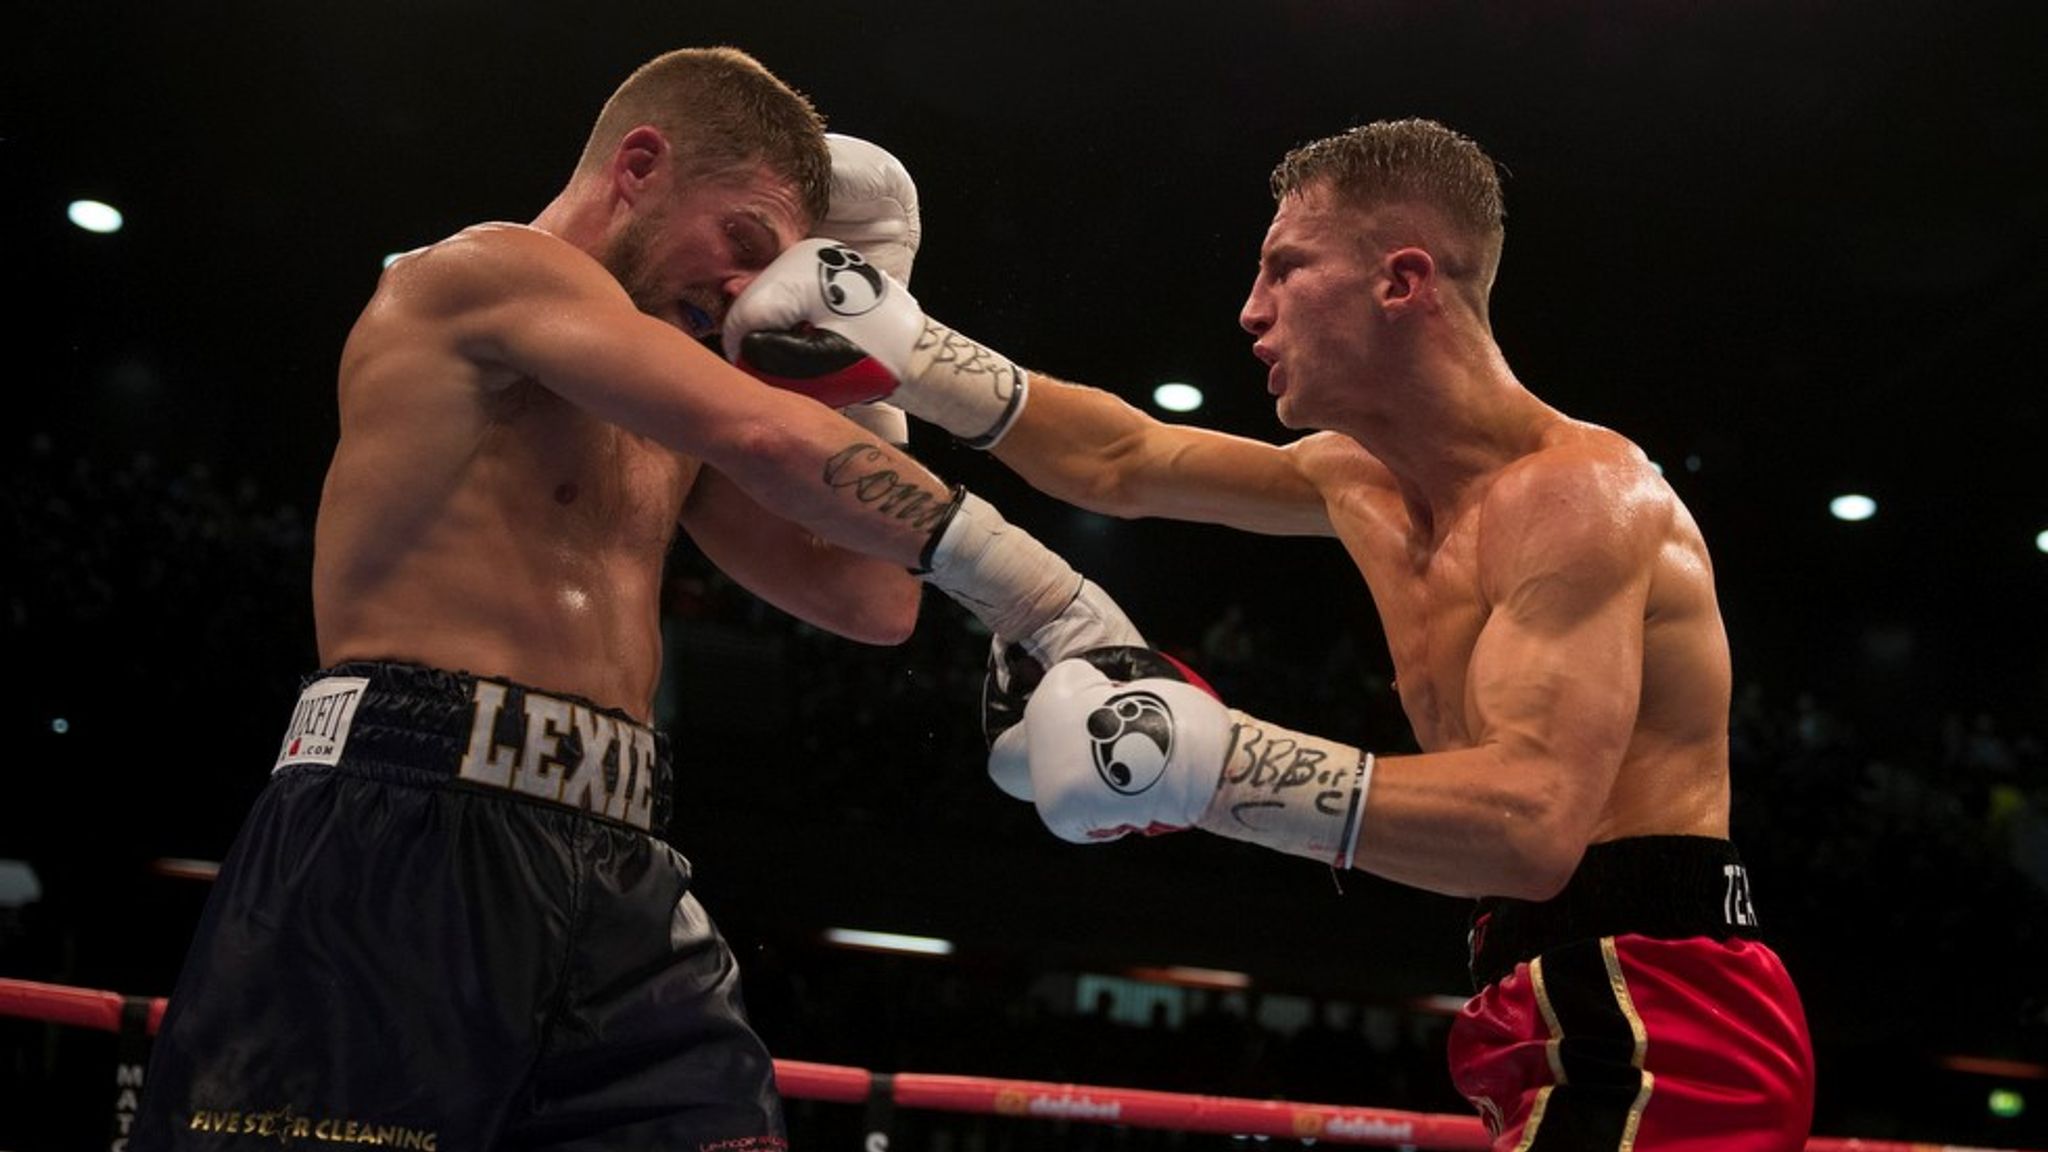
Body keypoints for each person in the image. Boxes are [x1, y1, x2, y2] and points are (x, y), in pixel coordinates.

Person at [724, 118, 1817, 1149]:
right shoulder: (1360, 481)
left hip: (1664, 1016)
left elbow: (1530, 829)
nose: (1251, 311)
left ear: (1401, 281)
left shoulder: (1578, 497)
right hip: (1547, 992)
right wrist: (911, 348)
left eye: (1285, 268)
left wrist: (1203, 766)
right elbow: (1123, 460)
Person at [131, 47, 1146, 1152]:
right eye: (742, 241)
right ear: (640, 166)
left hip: (619, 858)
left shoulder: (674, 397)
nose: (746, 291)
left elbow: (868, 600)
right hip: (399, 823)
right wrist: (1046, 600)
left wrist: (866, 342)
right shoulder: (480, 274)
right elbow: (763, 435)